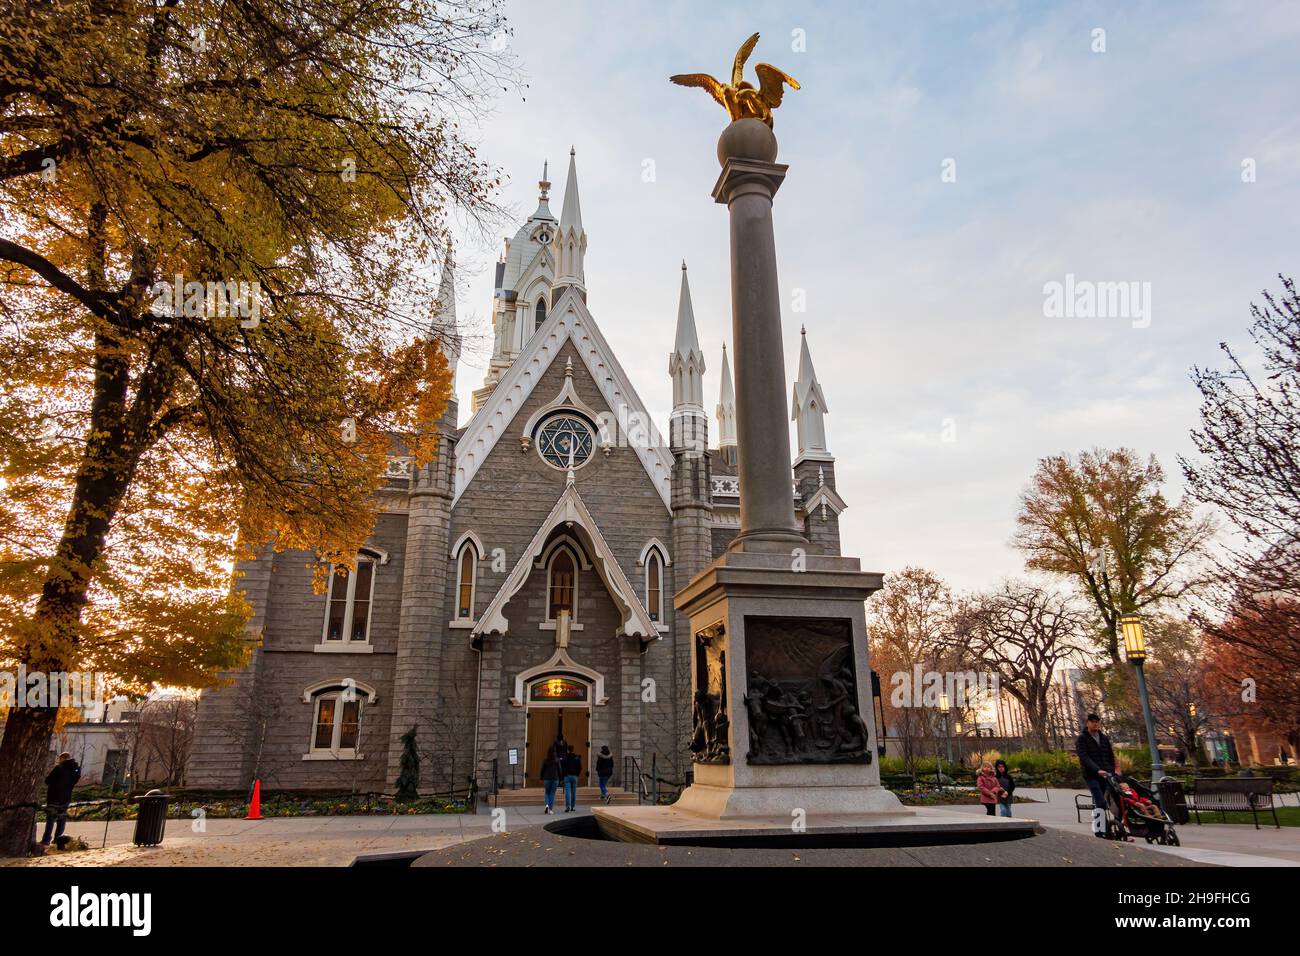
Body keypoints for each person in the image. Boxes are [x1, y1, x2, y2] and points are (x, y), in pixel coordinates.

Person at [1076, 713, 1117, 838]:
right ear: (1087, 723)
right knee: (1100, 802)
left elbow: (1110, 756)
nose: (1095, 724)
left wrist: (1111, 771)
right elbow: (1084, 757)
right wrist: (1097, 769)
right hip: (1091, 775)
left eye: (1097, 722)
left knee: (1103, 800)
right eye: (1092, 721)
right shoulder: (1082, 739)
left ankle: (1102, 827)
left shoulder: (1104, 738)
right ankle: (1101, 830)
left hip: (1105, 775)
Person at [40, 752, 81, 847]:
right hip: (66, 797)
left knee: (50, 819)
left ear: (62, 758)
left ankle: (46, 840)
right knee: (61, 820)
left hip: (54, 796)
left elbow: (48, 780)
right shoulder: (76, 769)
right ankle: (58, 840)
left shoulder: (58, 768)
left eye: (59, 759)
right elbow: (74, 781)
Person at [540, 745, 562, 815]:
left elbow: (542, 770)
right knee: (552, 793)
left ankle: (547, 805)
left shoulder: (545, 760)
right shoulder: (557, 760)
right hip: (555, 778)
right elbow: (560, 770)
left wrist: (541, 777)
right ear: (555, 752)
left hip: (547, 778)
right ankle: (550, 809)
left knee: (547, 792)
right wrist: (561, 778)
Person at [562, 745, 582, 812]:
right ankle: (573, 807)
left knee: (567, 792)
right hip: (574, 776)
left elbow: (563, 768)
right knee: (574, 792)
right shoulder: (577, 758)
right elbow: (580, 767)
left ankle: (567, 806)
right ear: (573, 749)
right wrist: (577, 774)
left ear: (568, 750)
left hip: (567, 776)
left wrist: (564, 775)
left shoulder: (565, 758)